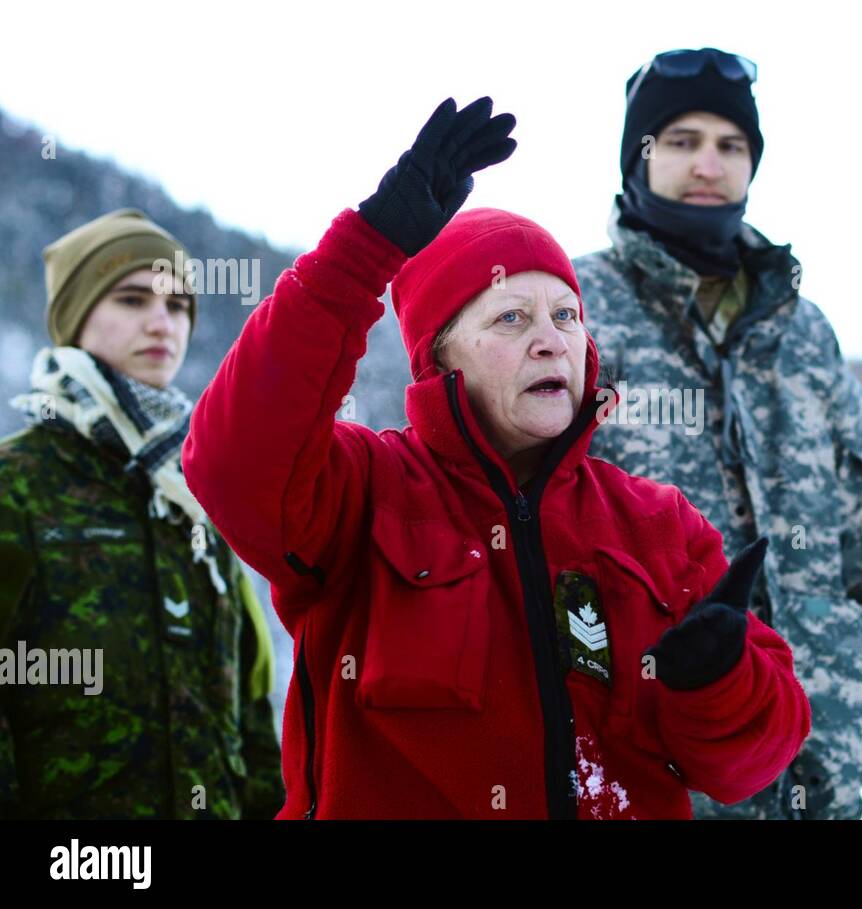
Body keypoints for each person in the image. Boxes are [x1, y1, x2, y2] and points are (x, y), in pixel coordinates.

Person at [180, 96, 812, 819]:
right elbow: (233, 461)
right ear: (439, 355)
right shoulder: (363, 492)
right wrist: (363, 251)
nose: (551, 341)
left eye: (566, 316)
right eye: (512, 317)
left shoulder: (657, 523)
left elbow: (753, 760)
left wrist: (722, 683)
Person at [573, 48, 862, 820]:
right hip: (660, 777)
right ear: (638, 156)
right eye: (682, 141)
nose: (709, 163)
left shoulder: (802, 329)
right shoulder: (576, 311)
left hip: (825, 772)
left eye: (731, 144)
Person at [0, 210, 282, 819]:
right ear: (76, 315)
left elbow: (252, 711)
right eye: (132, 299)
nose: (162, 322)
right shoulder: (15, 484)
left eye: (178, 305)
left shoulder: (198, 493)